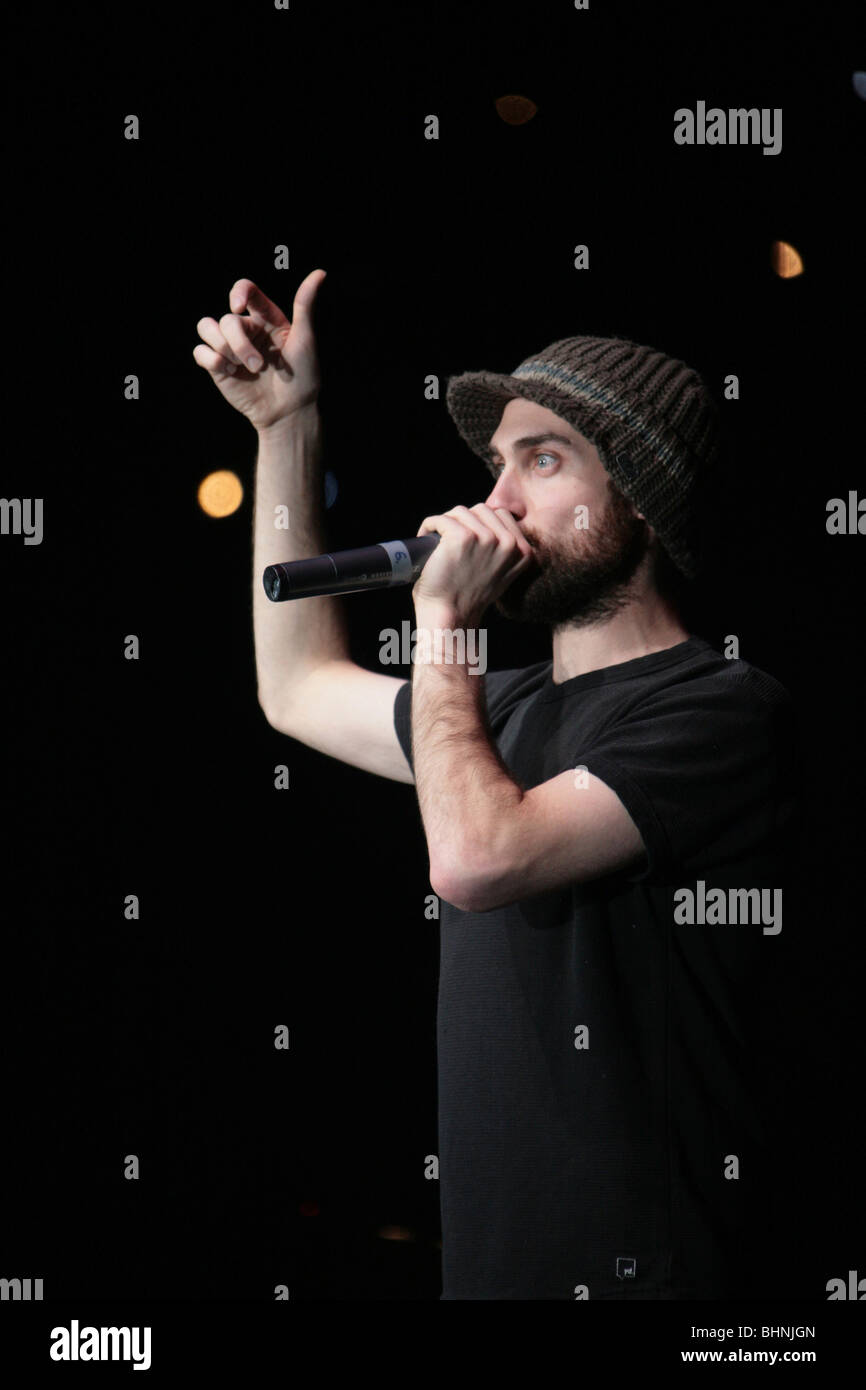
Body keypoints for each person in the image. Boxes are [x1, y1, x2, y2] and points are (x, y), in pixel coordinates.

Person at [193, 271, 797, 1300]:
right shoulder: (500, 709)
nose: (494, 499)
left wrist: (443, 628)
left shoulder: (720, 708)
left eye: (542, 460)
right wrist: (284, 425)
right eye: (495, 464)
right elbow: (295, 688)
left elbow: (478, 858)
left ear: (640, 505)